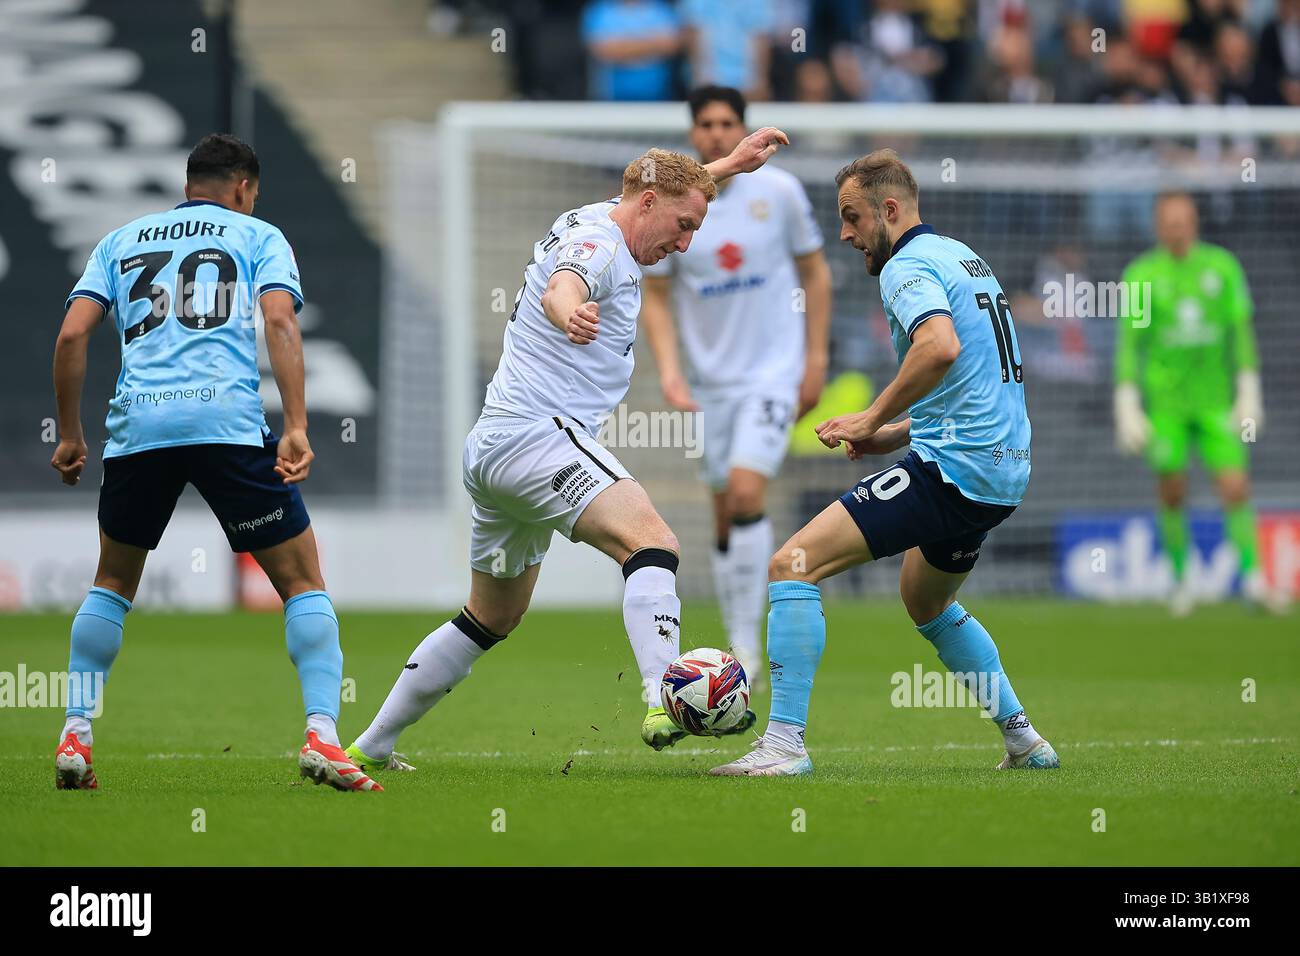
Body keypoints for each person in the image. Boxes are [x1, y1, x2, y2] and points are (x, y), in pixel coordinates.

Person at [344, 127, 792, 774]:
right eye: (684, 226)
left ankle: (372, 743)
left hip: (495, 448)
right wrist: (568, 311)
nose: (686, 243)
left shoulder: (602, 213)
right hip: (537, 435)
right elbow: (567, 282)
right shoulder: (600, 246)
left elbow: (663, 188)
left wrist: (729, 165)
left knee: (489, 617)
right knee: (654, 545)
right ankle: (663, 696)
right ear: (646, 204)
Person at [711, 148, 1059, 777]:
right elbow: (975, 380)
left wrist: (871, 417)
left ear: (889, 209)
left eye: (851, 217)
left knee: (792, 563)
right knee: (924, 599)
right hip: (1001, 471)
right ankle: (1025, 740)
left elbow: (940, 348)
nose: (845, 234)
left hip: (955, 470)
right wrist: (896, 434)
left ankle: (784, 745)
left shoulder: (908, 266)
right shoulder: (963, 258)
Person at [50, 134, 378, 792]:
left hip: (140, 426)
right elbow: (280, 323)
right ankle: (322, 734)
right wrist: (295, 426)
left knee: (112, 583)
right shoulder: (257, 236)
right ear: (242, 188)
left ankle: (75, 733)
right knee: (303, 581)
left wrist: (69, 434)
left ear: (189, 182)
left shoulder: (122, 240)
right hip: (224, 424)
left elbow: (71, 334)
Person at [641, 85, 831, 688]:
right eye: (706, 124)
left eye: (727, 123)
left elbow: (814, 273)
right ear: (693, 133)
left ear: (743, 130)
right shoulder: (678, 204)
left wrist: (816, 359)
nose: (717, 133)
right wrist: (670, 370)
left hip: (772, 373)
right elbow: (659, 293)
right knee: (724, 512)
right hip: (711, 384)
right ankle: (738, 639)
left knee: (748, 494)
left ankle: (750, 648)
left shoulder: (780, 193)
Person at [1115, 191, 1284, 615]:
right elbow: (1129, 344)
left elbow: (1240, 331)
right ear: (1158, 226)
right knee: (1172, 490)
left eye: (1183, 220)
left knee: (1234, 485)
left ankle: (1253, 579)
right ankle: (1180, 580)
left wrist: (1249, 389)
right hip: (1166, 404)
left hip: (1215, 403)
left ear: (1194, 223)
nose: (1176, 228)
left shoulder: (1222, 267)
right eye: (1168, 221)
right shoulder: (1140, 275)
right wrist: (1127, 402)